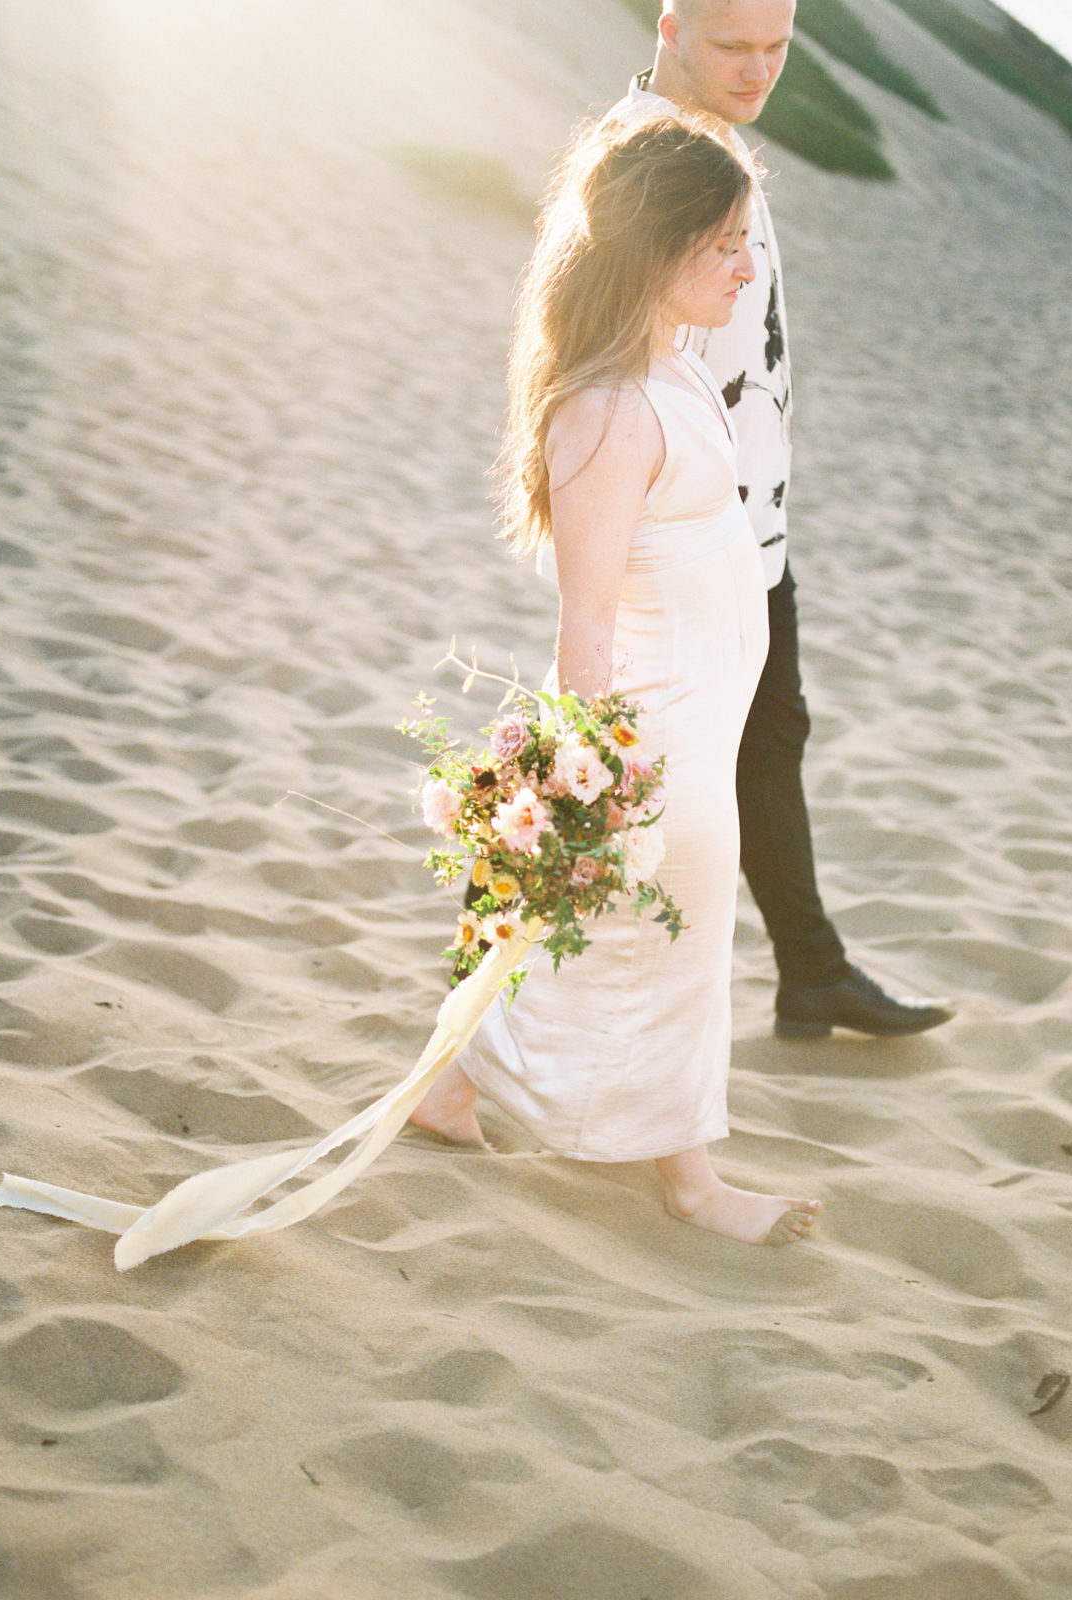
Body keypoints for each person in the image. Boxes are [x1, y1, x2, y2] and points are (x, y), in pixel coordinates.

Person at [412, 114, 821, 1247]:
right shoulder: (605, 408)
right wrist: (588, 768)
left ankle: (453, 1090)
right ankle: (691, 1185)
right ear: (660, 251)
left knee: (624, 938)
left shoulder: (679, 370)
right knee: (671, 946)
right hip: (655, 728)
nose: (747, 265)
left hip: (706, 722)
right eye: (726, 243)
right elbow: (584, 614)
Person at [617, 0, 955, 1038]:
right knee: (623, 782)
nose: (761, 69)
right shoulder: (651, 161)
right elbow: (609, 363)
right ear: (669, 28)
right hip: (689, 542)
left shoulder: (716, 146)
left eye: (778, 46)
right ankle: (479, 1028)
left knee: (763, 744)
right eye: (734, 47)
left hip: (751, 530)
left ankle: (811, 970)